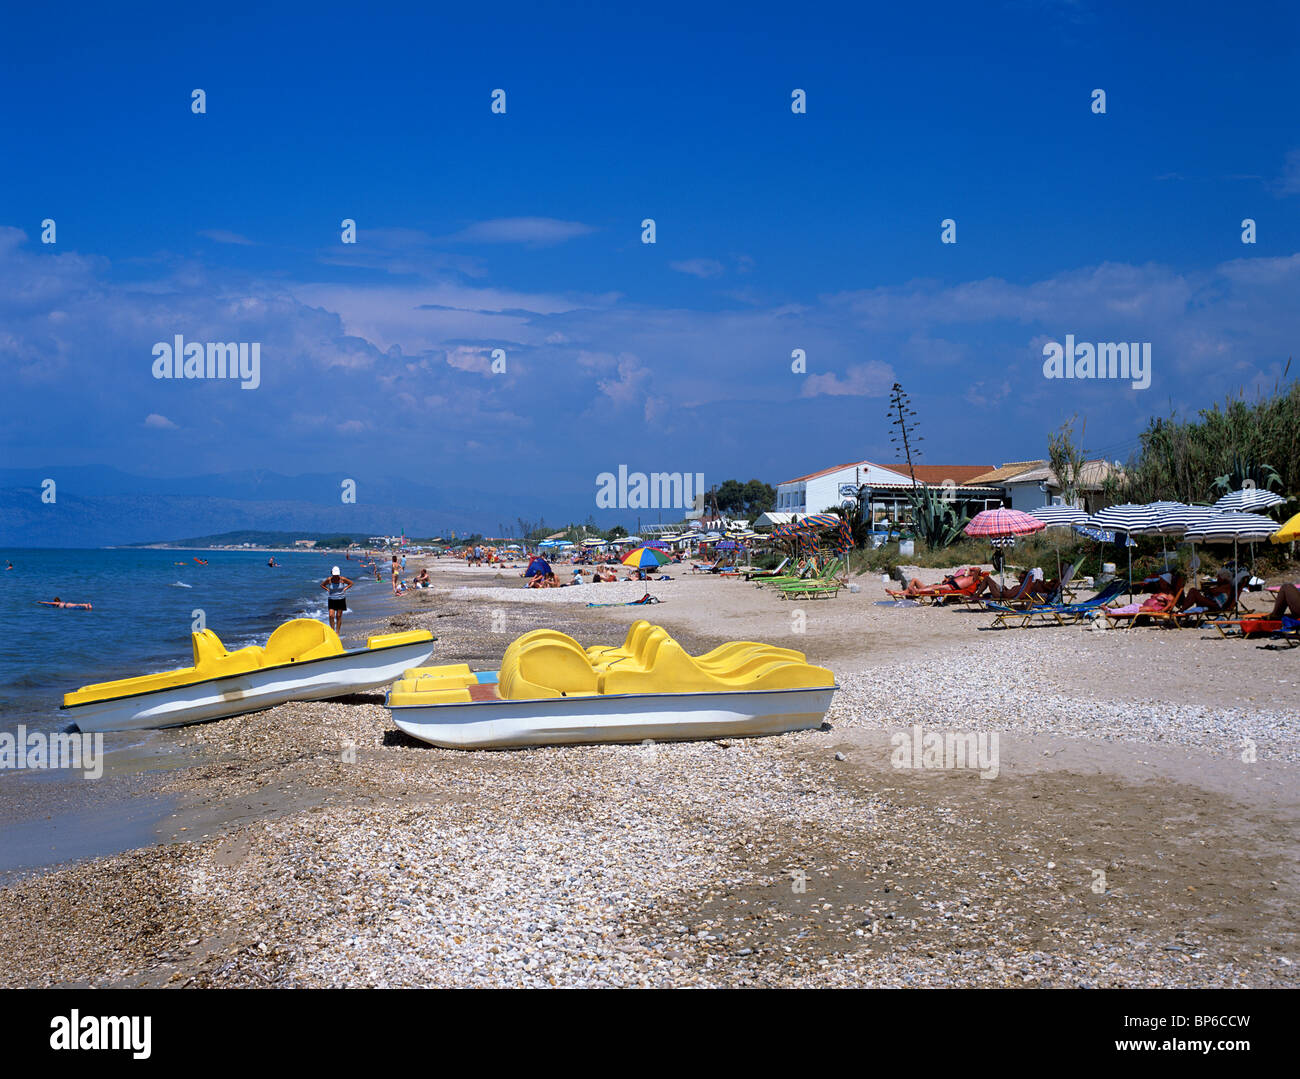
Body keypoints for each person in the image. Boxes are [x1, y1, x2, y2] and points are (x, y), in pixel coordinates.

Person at [321, 567, 353, 633]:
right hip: (332, 599)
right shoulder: (329, 580)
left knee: (338, 616)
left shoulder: (342, 579)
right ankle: (332, 631)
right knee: (331, 615)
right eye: (334, 575)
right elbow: (322, 585)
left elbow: (351, 583)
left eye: (337, 575)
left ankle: (337, 632)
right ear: (332, 573)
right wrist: (328, 589)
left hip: (341, 599)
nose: (336, 576)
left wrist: (345, 588)